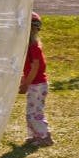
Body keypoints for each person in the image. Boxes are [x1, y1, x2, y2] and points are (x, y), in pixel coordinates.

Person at [19, 12, 54, 147]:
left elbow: (35, 68)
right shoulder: (29, 48)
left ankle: (45, 136)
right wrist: (24, 79)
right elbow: (29, 68)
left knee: (35, 112)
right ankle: (35, 136)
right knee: (30, 112)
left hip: (37, 85)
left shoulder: (34, 48)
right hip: (35, 84)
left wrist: (26, 84)